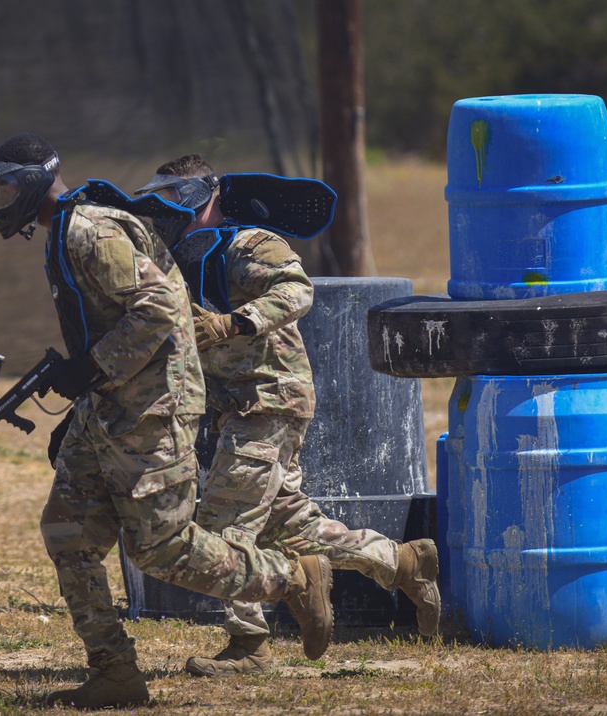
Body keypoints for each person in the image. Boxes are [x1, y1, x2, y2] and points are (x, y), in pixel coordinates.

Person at [0, 134, 335, 709]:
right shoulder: (66, 232)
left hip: (152, 406)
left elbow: (160, 309)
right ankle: (115, 672)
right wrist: (85, 386)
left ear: (39, 179)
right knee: (67, 534)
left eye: (6, 186)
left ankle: (293, 577)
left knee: (162, 549)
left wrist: (93, 366)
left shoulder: (90, 230)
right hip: (110, 404)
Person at [135, 154, 440, 678]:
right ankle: (405, 563)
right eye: (163, 201)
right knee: (291, 524)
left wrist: (236, 323)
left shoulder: (248, 243)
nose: (173, 212)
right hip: (236, 408)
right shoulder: (179, 258)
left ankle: (248, 644)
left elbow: (298, 291)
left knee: (220, 527)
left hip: (270, 400)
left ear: (213, 197)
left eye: (184, 199)